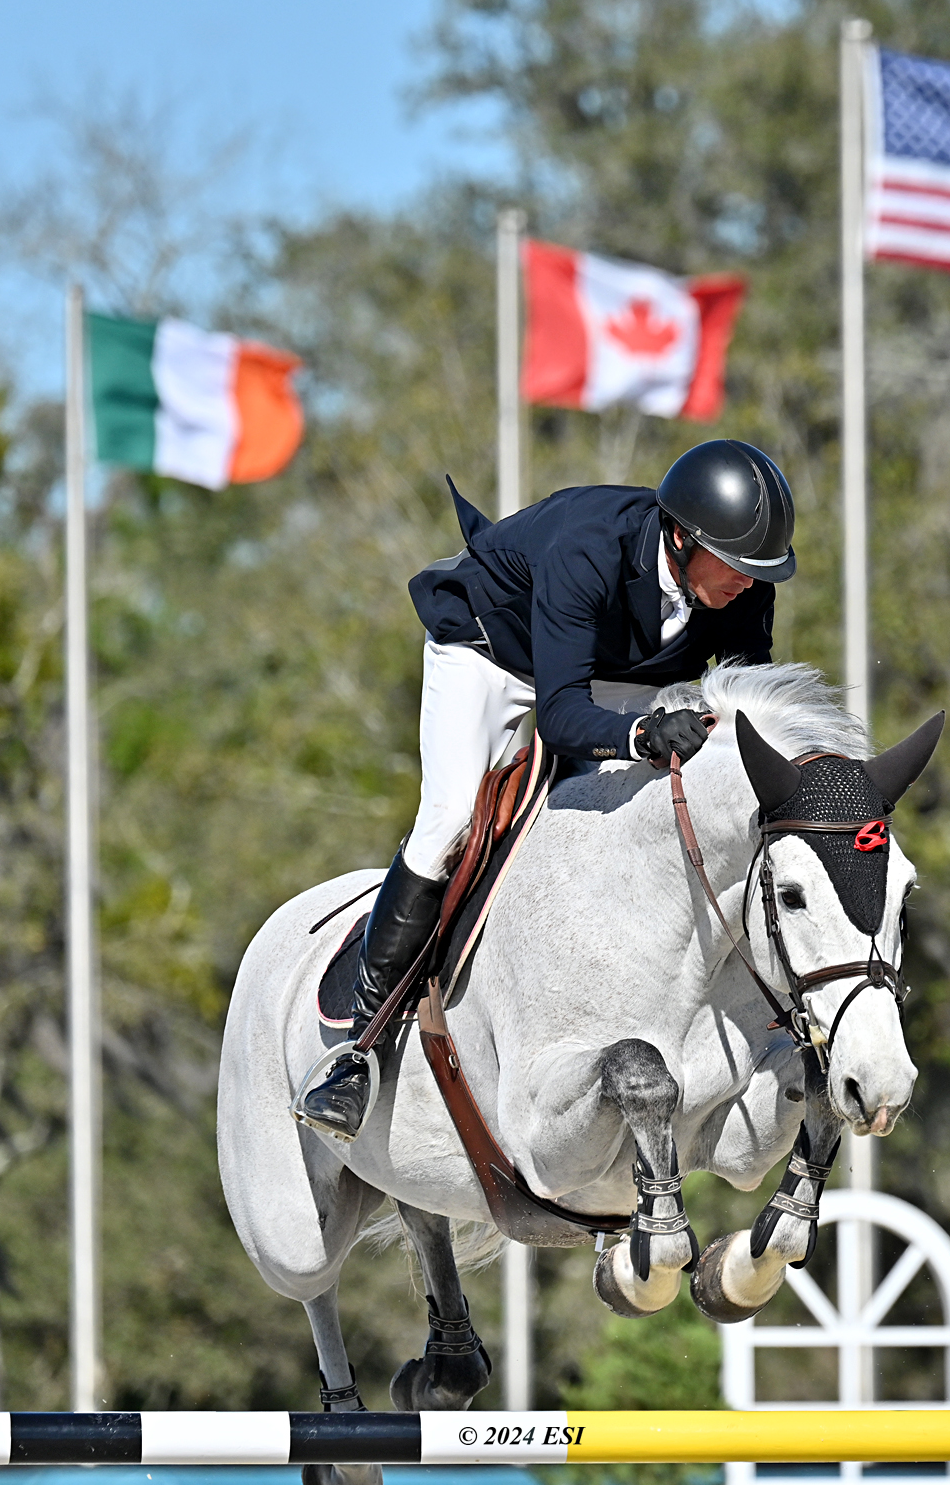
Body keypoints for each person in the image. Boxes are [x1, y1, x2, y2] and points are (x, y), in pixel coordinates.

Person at [297, 438, 797, 1140]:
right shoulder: (588, 548)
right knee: (450, 825)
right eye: (738, 566)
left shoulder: (742, 585)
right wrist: (644, 736)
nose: (749, 582)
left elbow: (747, 709)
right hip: (492, 653)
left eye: (759, 570)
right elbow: (561, 718)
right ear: (682, 538)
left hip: (614, 673)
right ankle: (358, 1051)